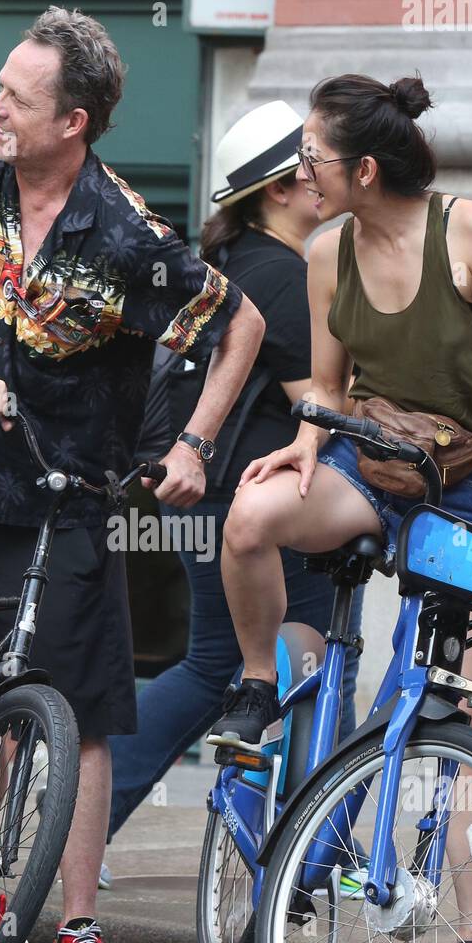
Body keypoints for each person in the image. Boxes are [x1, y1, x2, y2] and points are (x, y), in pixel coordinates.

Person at [0, 7, 264, 943]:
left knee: (83, 714)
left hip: (66, 497)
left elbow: (241, 324)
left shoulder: (126, 235)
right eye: (3, 86)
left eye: (19, 94)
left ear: (75, 122)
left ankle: (76, 929)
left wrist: (193, 445)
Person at [207, 72, 472, 943]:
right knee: (248, 521)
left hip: (467, 479)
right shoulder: (327, 253)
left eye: (313, 158)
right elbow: (326, 387)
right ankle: (255, 686)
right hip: (368, 466)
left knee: (461, 712)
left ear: (364, 168)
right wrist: (301, 444)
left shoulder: (470, 231)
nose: (301, 173)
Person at [104, 101, 364, 859]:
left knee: (217, 664)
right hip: (259, 510)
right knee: (312, 664)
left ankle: (83, 829)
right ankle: (318, 857)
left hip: (210, 500)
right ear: (277, 189)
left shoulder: (234, 266)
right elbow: (317, 405)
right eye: (307, 171)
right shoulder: (283, 277)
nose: (321, 181)